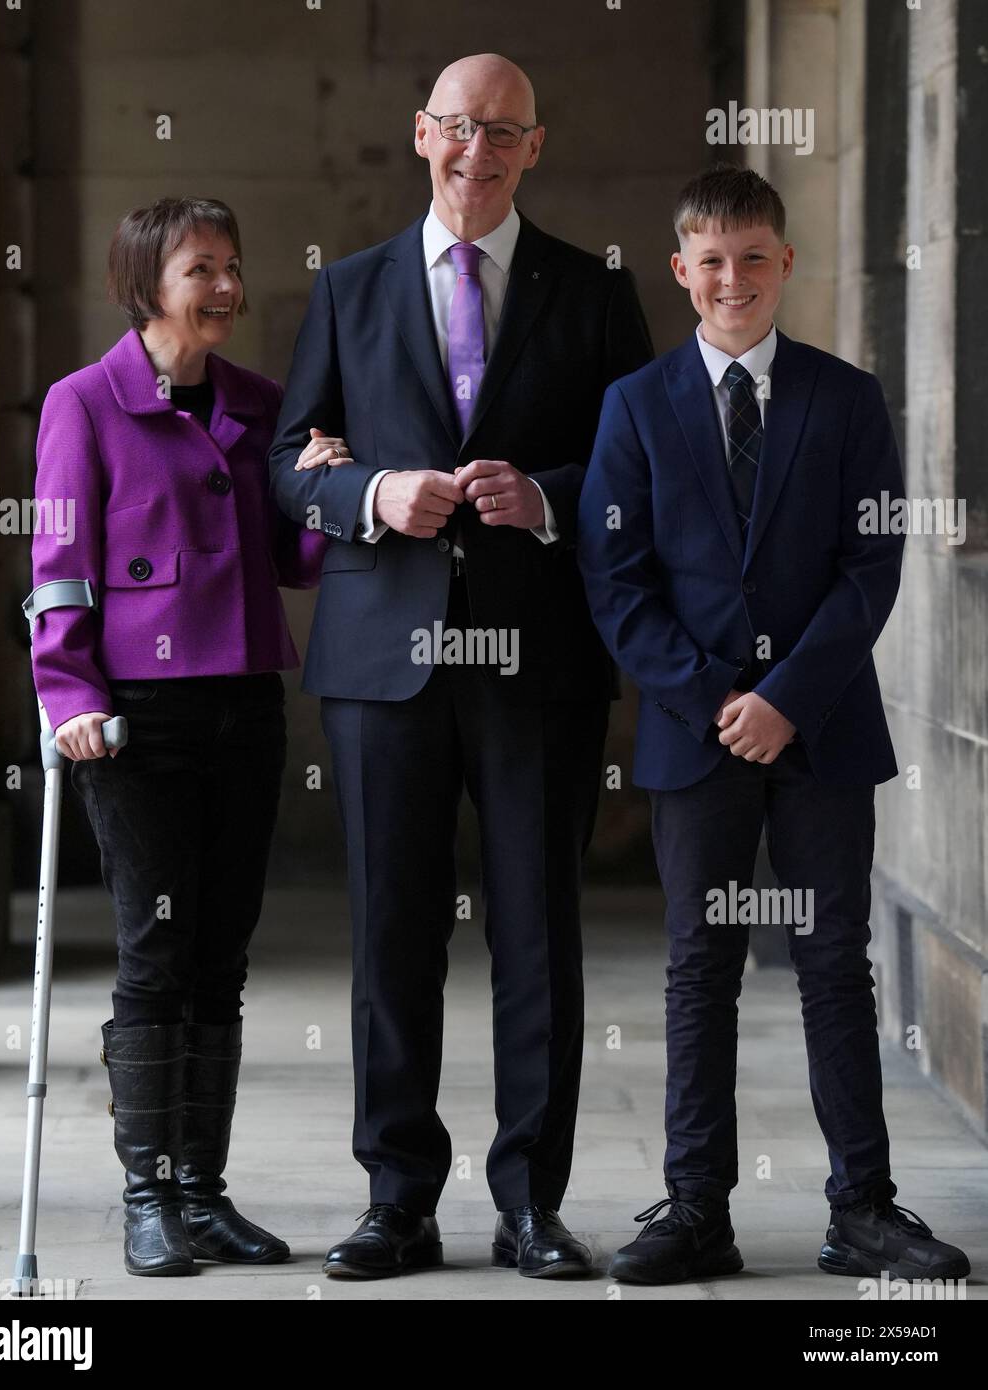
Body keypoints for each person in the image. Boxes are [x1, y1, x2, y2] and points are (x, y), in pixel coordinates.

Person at [268, 53, 653, 1279]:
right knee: (391, 935)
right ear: (420, 134)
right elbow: (290, 463)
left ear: (534, 148)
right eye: (456, 128)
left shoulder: (595, 293)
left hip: (540, 661)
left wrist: (542, 497)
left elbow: (643, 472)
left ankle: (531, 1201)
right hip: (385, 657)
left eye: (502, 133)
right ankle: (399, 1200)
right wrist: (372, 486)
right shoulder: (351, 288)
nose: (475, 152)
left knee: (539, 934)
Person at [577, 162, 970, 1285]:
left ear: (786, 262)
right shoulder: (635, 406)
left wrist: (787, 697)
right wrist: (716, 701)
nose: (733, 279)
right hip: (695, 736)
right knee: (701, 966)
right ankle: (697, 1205)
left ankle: (864, 1210)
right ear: (681, 270)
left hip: (826, 726)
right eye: (712, 261)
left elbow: (870, 565)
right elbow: (618, 580)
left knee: (835, 962)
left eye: (755, 258)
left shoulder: (844, 400)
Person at [28, 196, 327, 1277]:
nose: (227, 287)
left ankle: (204, 1192)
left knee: (220, 958)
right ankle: (146, 1193)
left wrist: (329, 487)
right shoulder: (83, 404)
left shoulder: (260, 404)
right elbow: (56, 564)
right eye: (204, 268)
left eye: (234, 266)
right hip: (132, 725)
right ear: (146, 279)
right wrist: (68, 697)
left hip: (245, 706)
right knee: (156, 955)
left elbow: (297, 559)